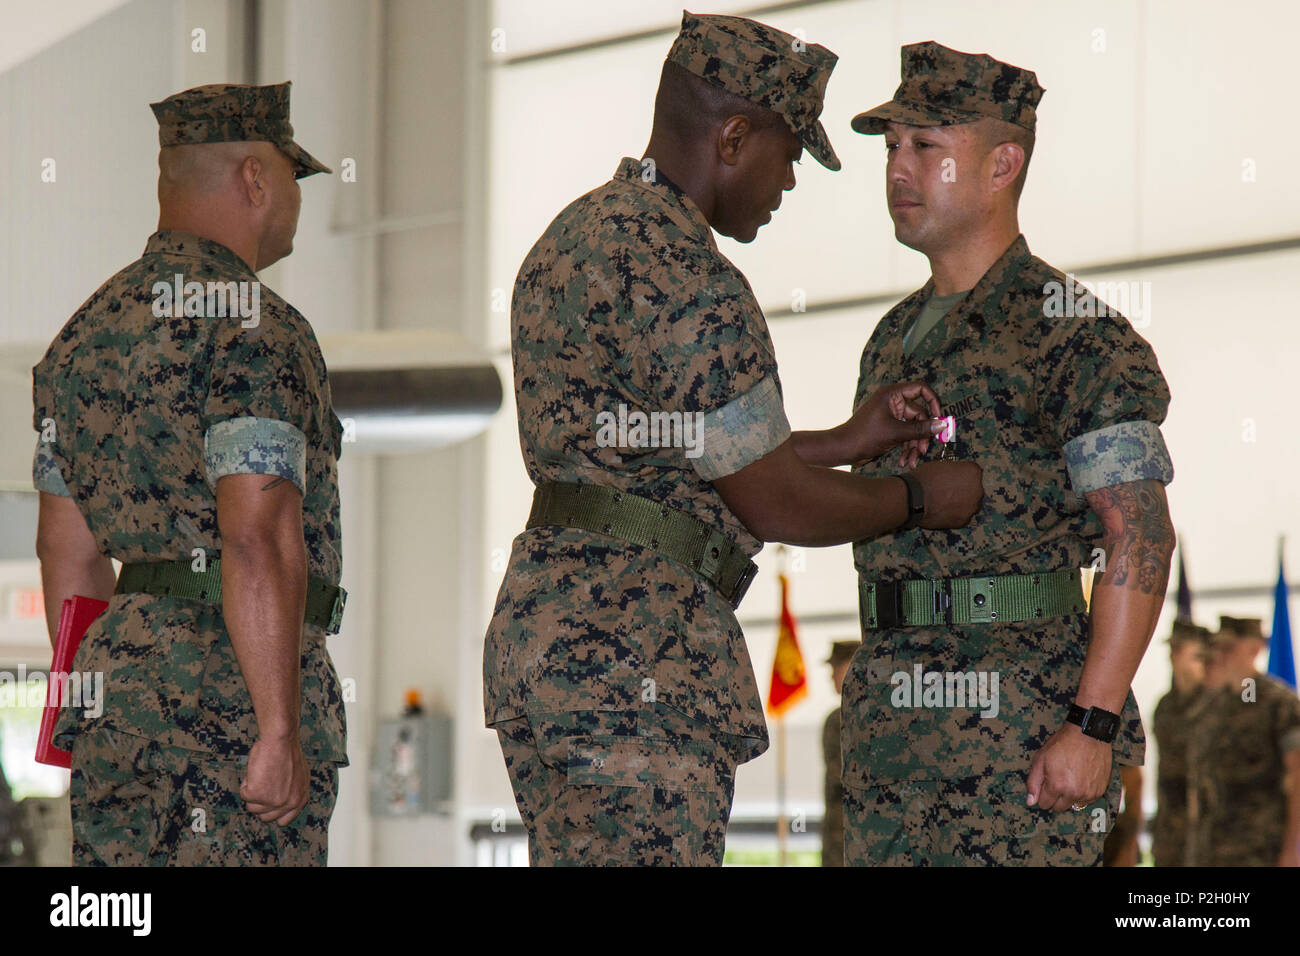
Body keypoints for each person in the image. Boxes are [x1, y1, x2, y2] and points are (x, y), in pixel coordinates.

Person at [484, 13, 982, 867]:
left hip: (554, 643)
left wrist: (843, 438)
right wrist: (920, 498)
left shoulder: (574, 238)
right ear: (734, 136)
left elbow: (668, 454)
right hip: (637, 659)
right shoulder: (691, 278)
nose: (789, 180)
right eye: (789, 153)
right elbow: (774, 500)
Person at [841, 41, 1177, 866]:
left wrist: (1092, 724)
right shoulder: (891, 338)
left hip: (1017, 738)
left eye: (926, 146)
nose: (898, 167)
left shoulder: (1075, 330)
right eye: (891, 147)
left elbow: (1141, 534)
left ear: (1002, 165)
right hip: (891, 728)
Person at [32, 82, 348, 865]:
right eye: (291, 178)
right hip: (231, 714)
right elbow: (257, 536)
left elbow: (65, 553)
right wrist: (278, 729)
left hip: (115, 711)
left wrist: (99, 700)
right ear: (254, 179)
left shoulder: (81, 339)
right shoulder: (256, 327)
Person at [1187, 616, 1300, 866]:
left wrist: (1293, 850)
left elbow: (1297, 777)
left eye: (1229, 648)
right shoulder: (1211, 706)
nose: (1220, 655)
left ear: (1254, 649)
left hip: (1260, 851)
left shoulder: (1280, 704)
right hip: (1211, 850)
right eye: (1218, 647)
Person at [1150, 620, 1211, 866]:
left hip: (1210, 831)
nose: (1173, 654)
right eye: (1172, 647)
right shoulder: (1165, 706)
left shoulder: (1219, 702)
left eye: (1180, 647)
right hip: (1170, 831)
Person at [822, 639, 858, 867]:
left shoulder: (844, 718)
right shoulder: (837, 717)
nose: (832, 676)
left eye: (837, 667)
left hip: (849, 834)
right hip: (840, 832)